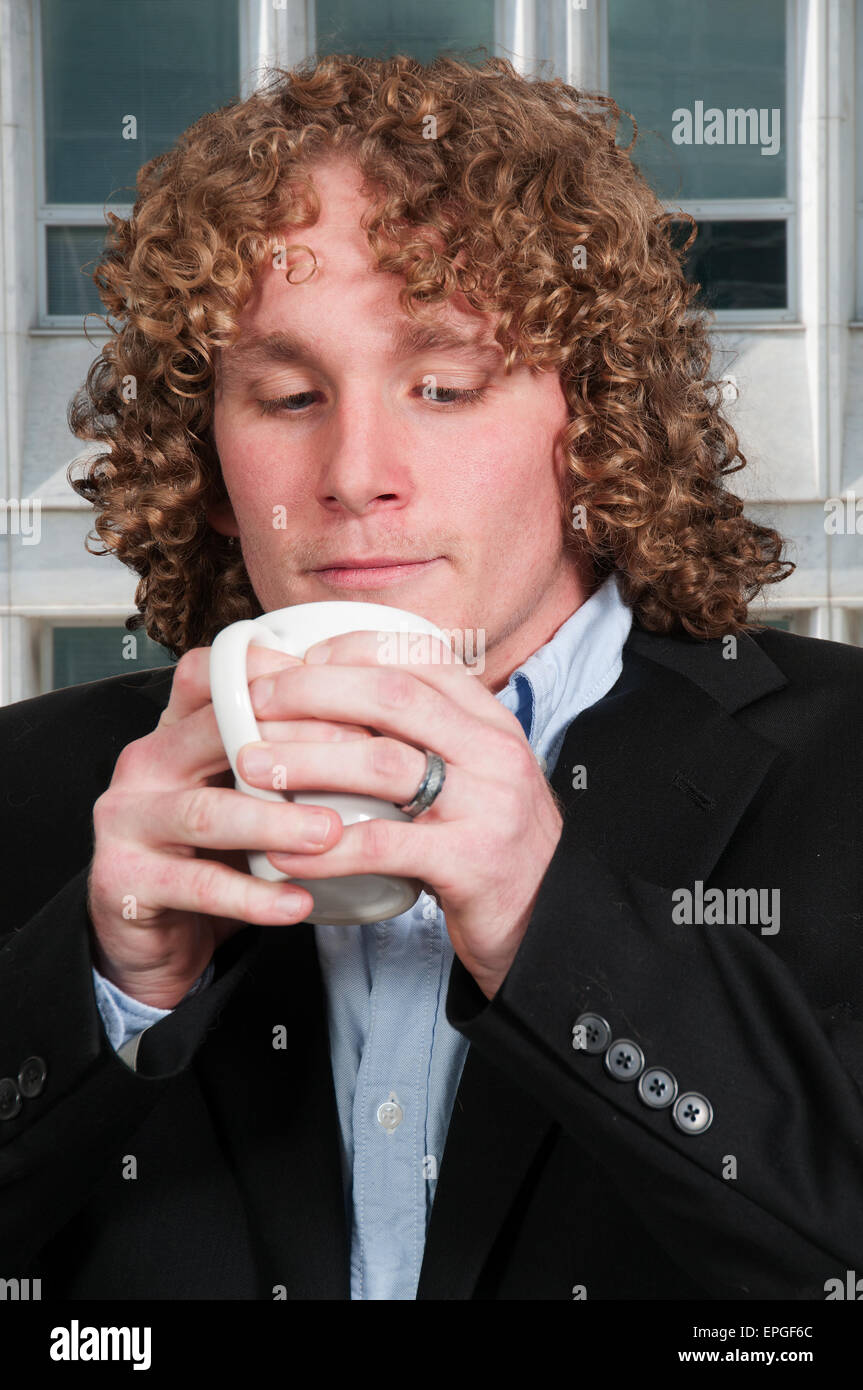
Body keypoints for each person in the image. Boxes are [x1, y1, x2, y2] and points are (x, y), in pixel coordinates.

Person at [1, 53, 861, 1302]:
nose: (357, 469)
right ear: (208, 445)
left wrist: (548, 922)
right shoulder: (32, 792)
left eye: (444, 385)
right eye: (286, 393)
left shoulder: (842, 773)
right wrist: (98, 992)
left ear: (595, 412)